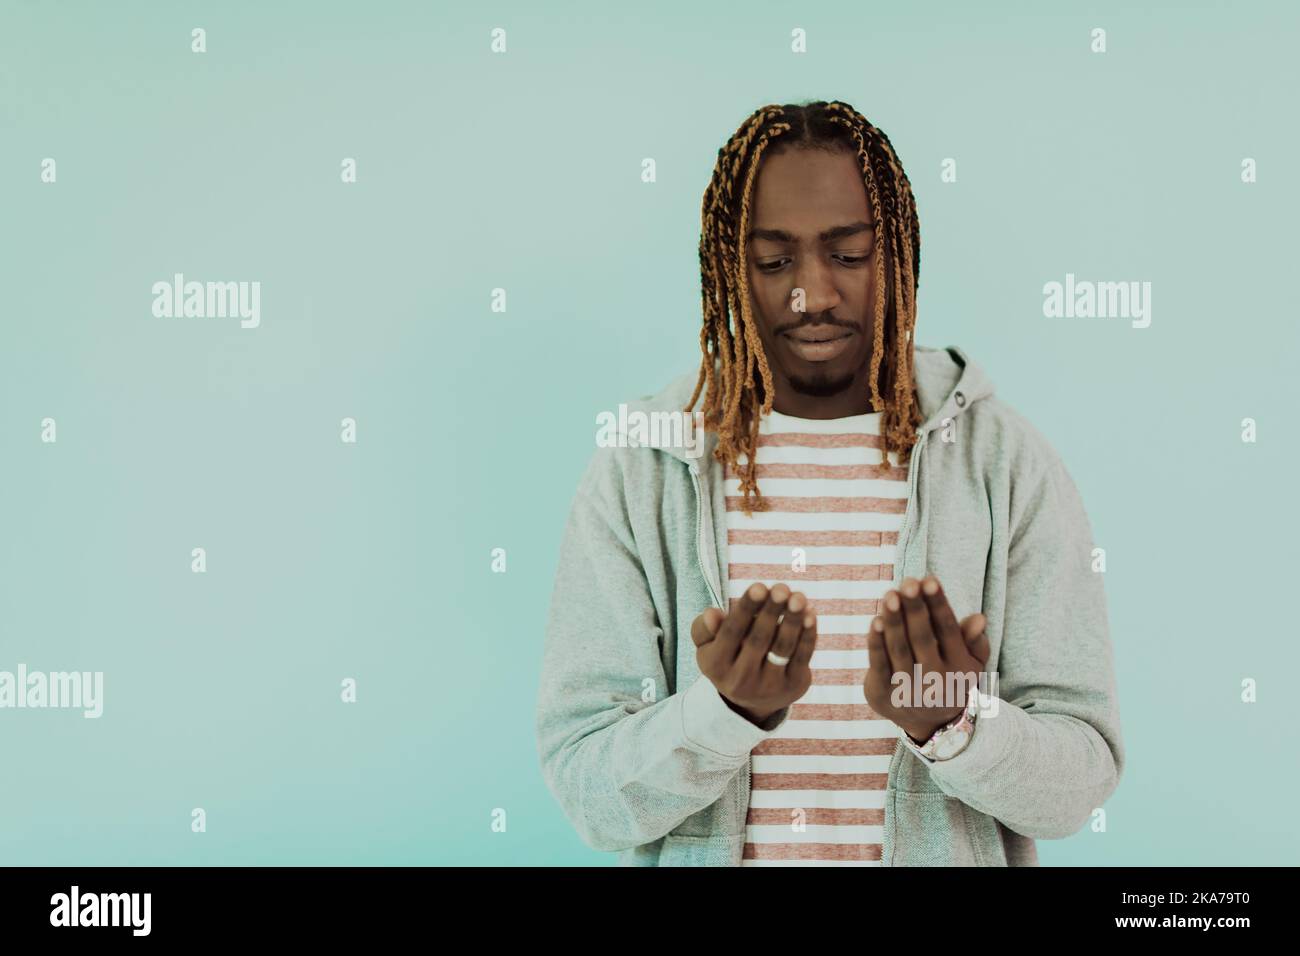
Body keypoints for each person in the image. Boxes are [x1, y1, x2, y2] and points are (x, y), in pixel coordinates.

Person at [536, 100, 1124, 866]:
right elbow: (587, 790)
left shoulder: (1002, 460)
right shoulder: (643, 462)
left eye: (847, 254)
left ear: (898, 257)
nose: (812, 293)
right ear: (727, 265)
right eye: (775, 261)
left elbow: (1078, 783)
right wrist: (725, 713)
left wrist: (951, 725)